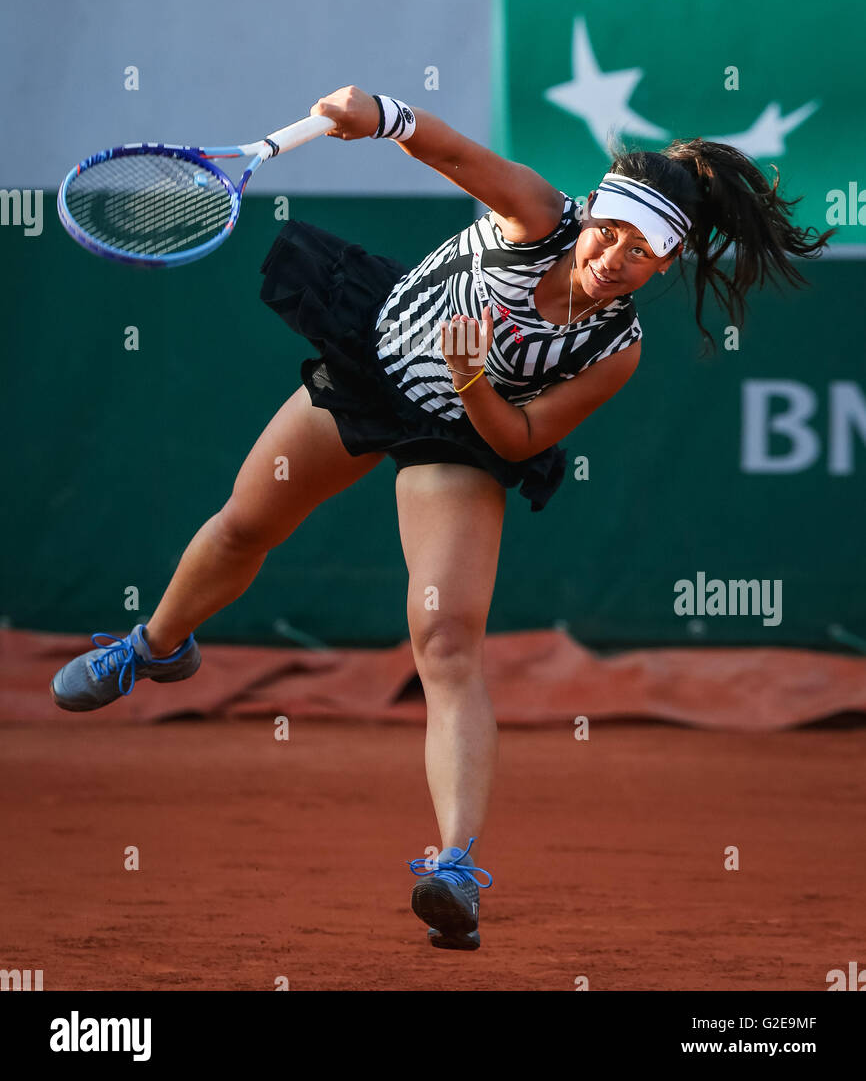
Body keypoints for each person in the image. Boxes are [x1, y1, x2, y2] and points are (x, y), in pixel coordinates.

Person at [50, 86, 833, 951]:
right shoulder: (537, 212)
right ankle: (154, 645)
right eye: (612, 231)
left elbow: (525, 433)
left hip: (464, 438)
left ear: (666, 264)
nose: (617, 256)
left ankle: (453, 867)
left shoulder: (617, 351)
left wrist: (471, 381)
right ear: (592, 215)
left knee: (448, 641)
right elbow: (451, 151)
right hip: (374, 364)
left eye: (645, 251)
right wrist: (377, 112)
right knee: (245, 525)